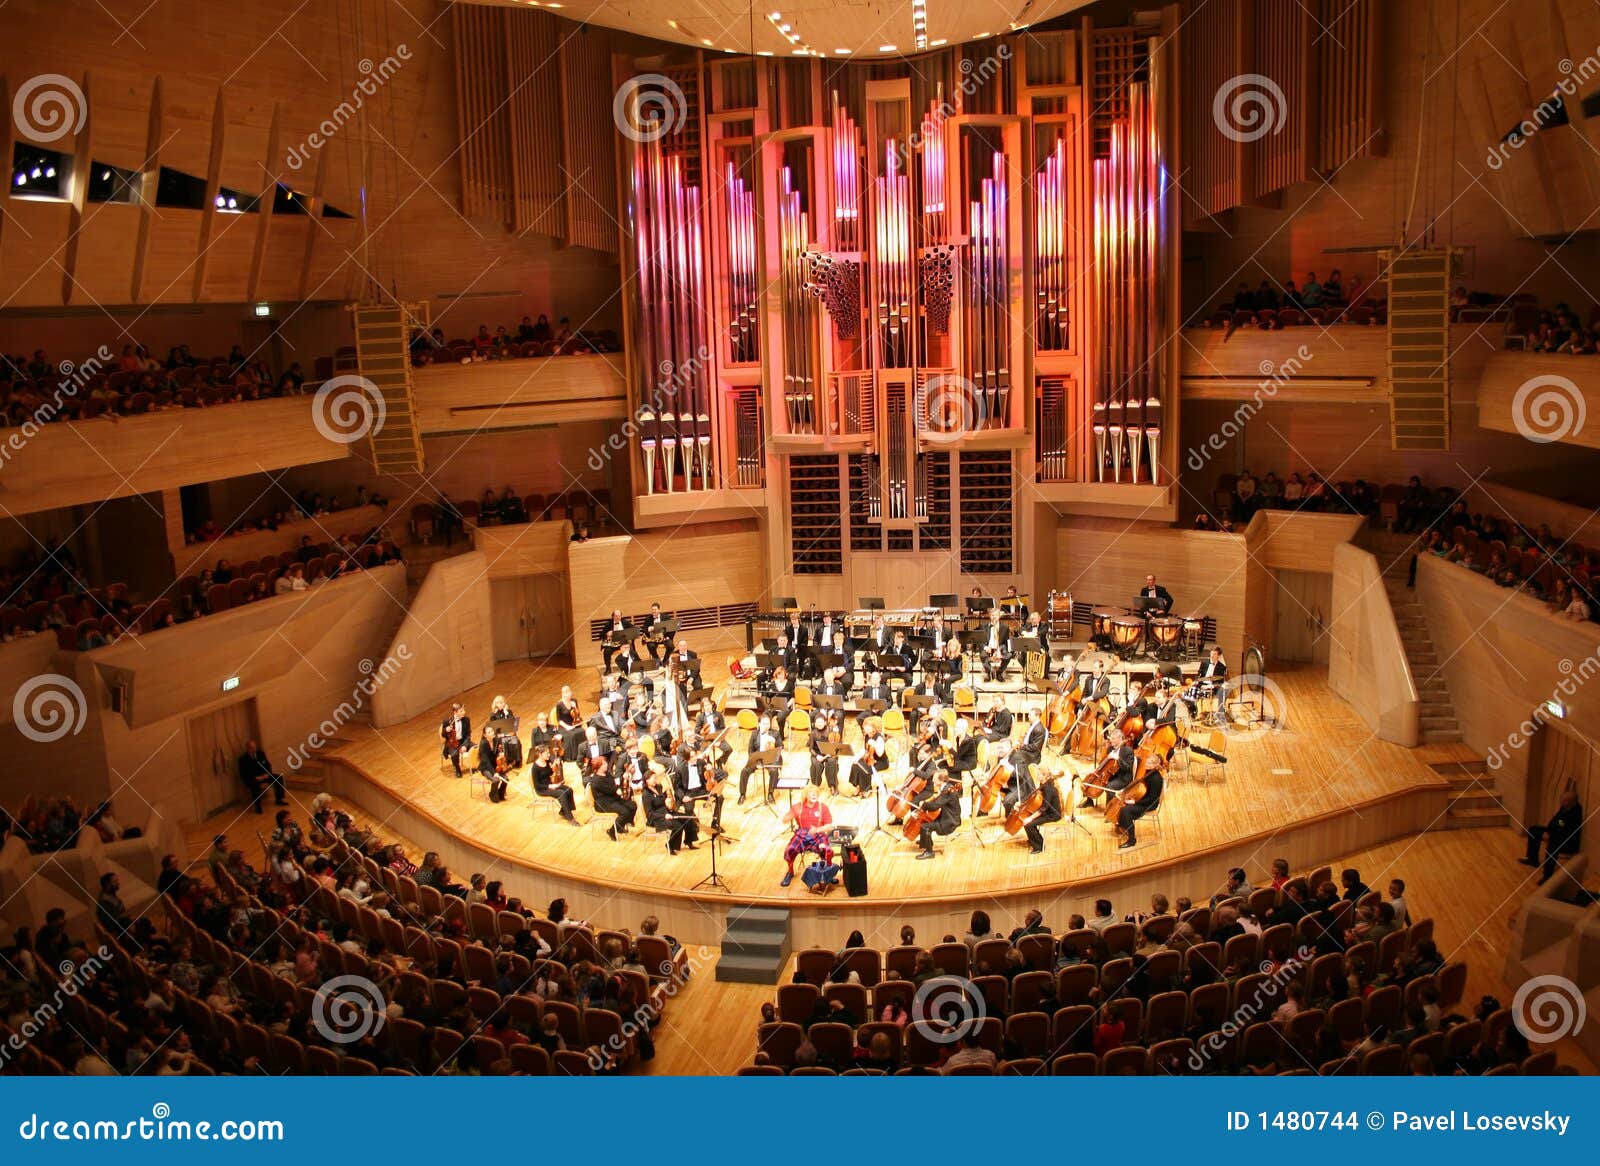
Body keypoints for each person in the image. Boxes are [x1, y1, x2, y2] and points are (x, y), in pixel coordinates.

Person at [1522, 789, 1583, 883]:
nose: (1562, 803)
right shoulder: (1565, 807)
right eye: (1562, 800)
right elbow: (1555, 820)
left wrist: (1550, 835)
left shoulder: (1575, 814)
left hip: (1567, 840)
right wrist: (1548, 831)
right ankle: (1532, 859)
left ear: (1571, 802)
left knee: (1552, 847)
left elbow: (1564, 830)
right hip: (1555, 833)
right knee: (1533, 830)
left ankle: (1547, 875)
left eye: (1564, 801)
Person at [780, 787, 833, 888]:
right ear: (805, 795)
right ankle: (790, 872)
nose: (814, 795)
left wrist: (817, 830)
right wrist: (791, 814)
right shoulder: (798, 807)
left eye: (815, 793)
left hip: (818, 834)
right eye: (810, 793)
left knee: (826, 849)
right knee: (790, 849)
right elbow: (784, 820)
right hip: (802, 834)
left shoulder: (823, 807)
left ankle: (828, 873)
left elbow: (829, 827)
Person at [642, 770, 698, 855]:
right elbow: (649, 814)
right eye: (654, 778)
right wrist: (664, 816)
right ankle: (670, 845)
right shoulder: (646, 795)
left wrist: (669, 800)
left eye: (656, 778)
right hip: (657, 818)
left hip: (666, 812)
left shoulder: (658, 787)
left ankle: (689, 841)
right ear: (647, 780)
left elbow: (663, 799)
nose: (656, 780)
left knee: (688, 818)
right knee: (677, 825)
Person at [913, 777, 962, 861]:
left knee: (925, 826)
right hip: (948, 817)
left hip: (949, 822)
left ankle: (929, 852)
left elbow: (935, 806)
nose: (933, 781)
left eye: (935, 779)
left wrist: (923, 804)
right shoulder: (947, 787)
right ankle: (925, 841)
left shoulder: (947, 791)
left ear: (941, 780)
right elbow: (938, 802)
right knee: (927, 820)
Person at [1116, 765, 1163, 850]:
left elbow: (1152, 799)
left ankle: (1131, 840)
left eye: (1149, 764)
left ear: (1154, 765)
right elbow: (1140, 783)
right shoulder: (1149, 772)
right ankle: (1123, 825)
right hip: (1143, 798)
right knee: (1124, 806)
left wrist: (1135, 802)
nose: (1146, 765)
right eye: (1147, 763)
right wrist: (1127, 791)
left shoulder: (1157, 779)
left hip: (1149, 804)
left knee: (1126, 811)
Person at [530, 746, 578, 824]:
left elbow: (550, 773)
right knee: (562, 793)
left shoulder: (547, 760)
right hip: (542, 789)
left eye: (549, 753)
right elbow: (537, 785)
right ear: (540, 755)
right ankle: (570, 818)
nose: (549, 755)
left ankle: (564, 811)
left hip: (550, 784)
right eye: (547, 754)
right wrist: (550, 786)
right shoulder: (535, 768)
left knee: (569, 790)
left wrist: (555, 765)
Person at [238, 740, 286, 812]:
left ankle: (279, 799)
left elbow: (268, 765)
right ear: (247, 748)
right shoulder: (242, 759)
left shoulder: (261, 753)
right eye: (251, 748)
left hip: (265, 775)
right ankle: (258, 806)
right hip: (253, 778)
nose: (254, 749)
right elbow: (243, 773)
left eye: (254, 747)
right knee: (255, 785)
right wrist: (255, 777)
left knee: (279, 778)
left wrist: (267, 774)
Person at [440, 703, 471, 777]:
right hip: (452, 742)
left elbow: (468, 735)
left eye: (463, 710)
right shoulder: (447, 721)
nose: (463, 712)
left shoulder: (466, 720)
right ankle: (458, 770)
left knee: (476, 748)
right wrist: (446, 730)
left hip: (462, 741)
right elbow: (443, 734)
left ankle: (475, 766)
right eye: (461, 711)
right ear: (455, 712)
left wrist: (464, 746)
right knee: (454, 754)